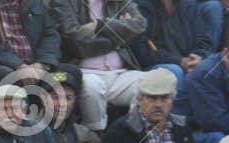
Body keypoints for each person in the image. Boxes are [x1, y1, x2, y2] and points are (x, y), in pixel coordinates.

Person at [59, 0, 162, 133]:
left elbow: (140, 25)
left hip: (121, 74)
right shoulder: (66, 2)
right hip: (85, 72)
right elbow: (75, 40)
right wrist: (119, 35)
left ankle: (134, 134)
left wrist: (100, 25)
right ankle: (95, 134)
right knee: (92, 86)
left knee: (151, 84)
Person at [96, 67, 199, 143]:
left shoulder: (182, 128)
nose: (158, 104)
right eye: (152, 98)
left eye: (164, 98)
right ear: (139, 99)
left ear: (172, 100)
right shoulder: (120, 131)